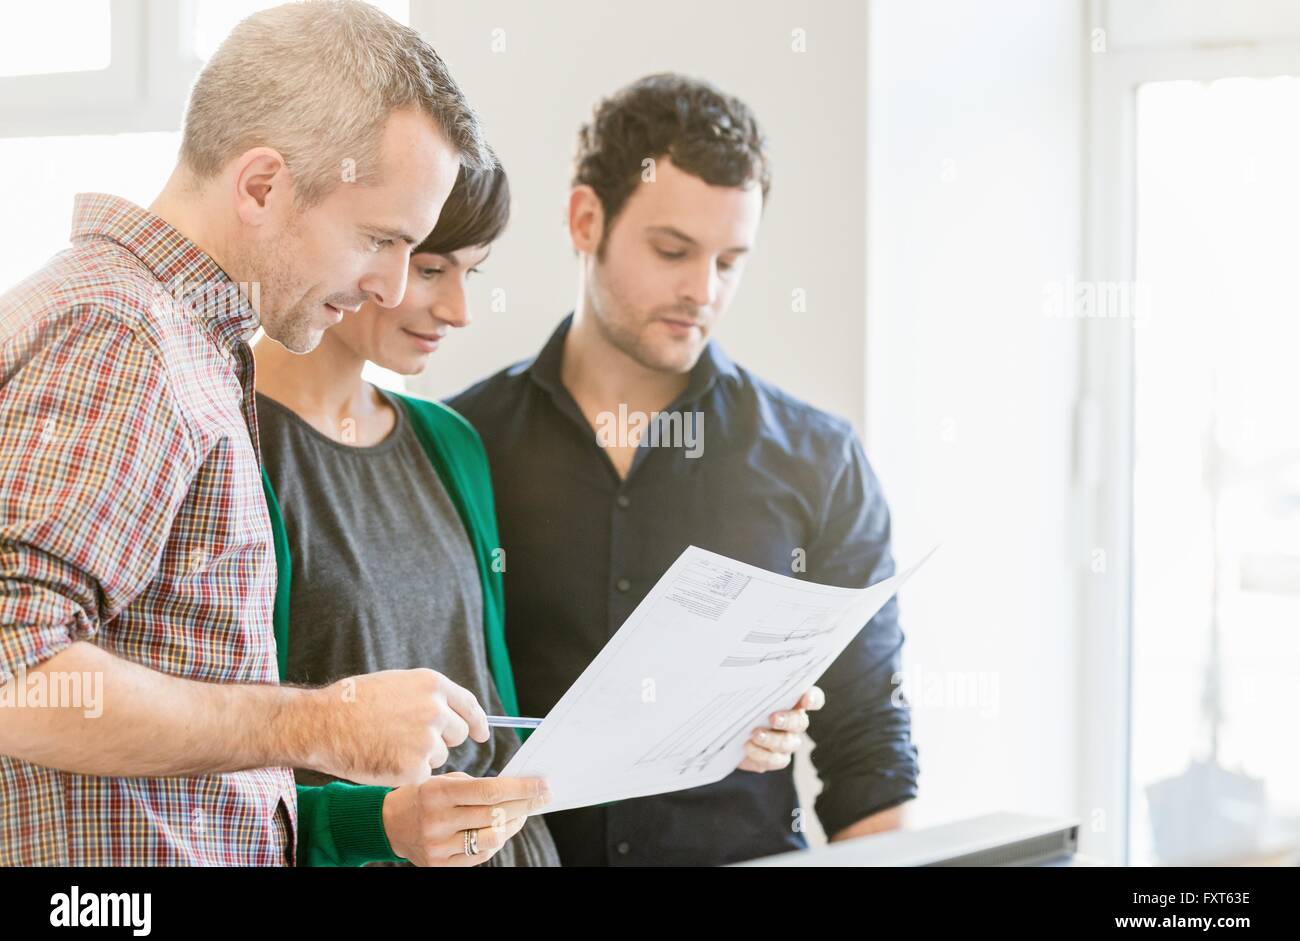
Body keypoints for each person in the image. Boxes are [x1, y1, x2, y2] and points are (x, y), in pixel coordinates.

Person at [0, 0, 499, 865]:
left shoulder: (184, 343)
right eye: (379, 238)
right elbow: (15, 675)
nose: (389, 288)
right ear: (262, 186)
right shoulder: (122, 333)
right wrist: (324, 723)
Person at [449, 73, 920, 865]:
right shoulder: (461, 445)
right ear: (585, 219)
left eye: (731, 261)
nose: (704, 291)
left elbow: (869, 741)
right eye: (673, 251)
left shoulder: (819, 461)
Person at [254, 161, 556, 867]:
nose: (458, 310)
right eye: (431, 270)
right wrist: (374, 821)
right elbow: (212, 775)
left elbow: (497, 721)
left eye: (471, 275)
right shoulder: (238, 445)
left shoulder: (449, 443)